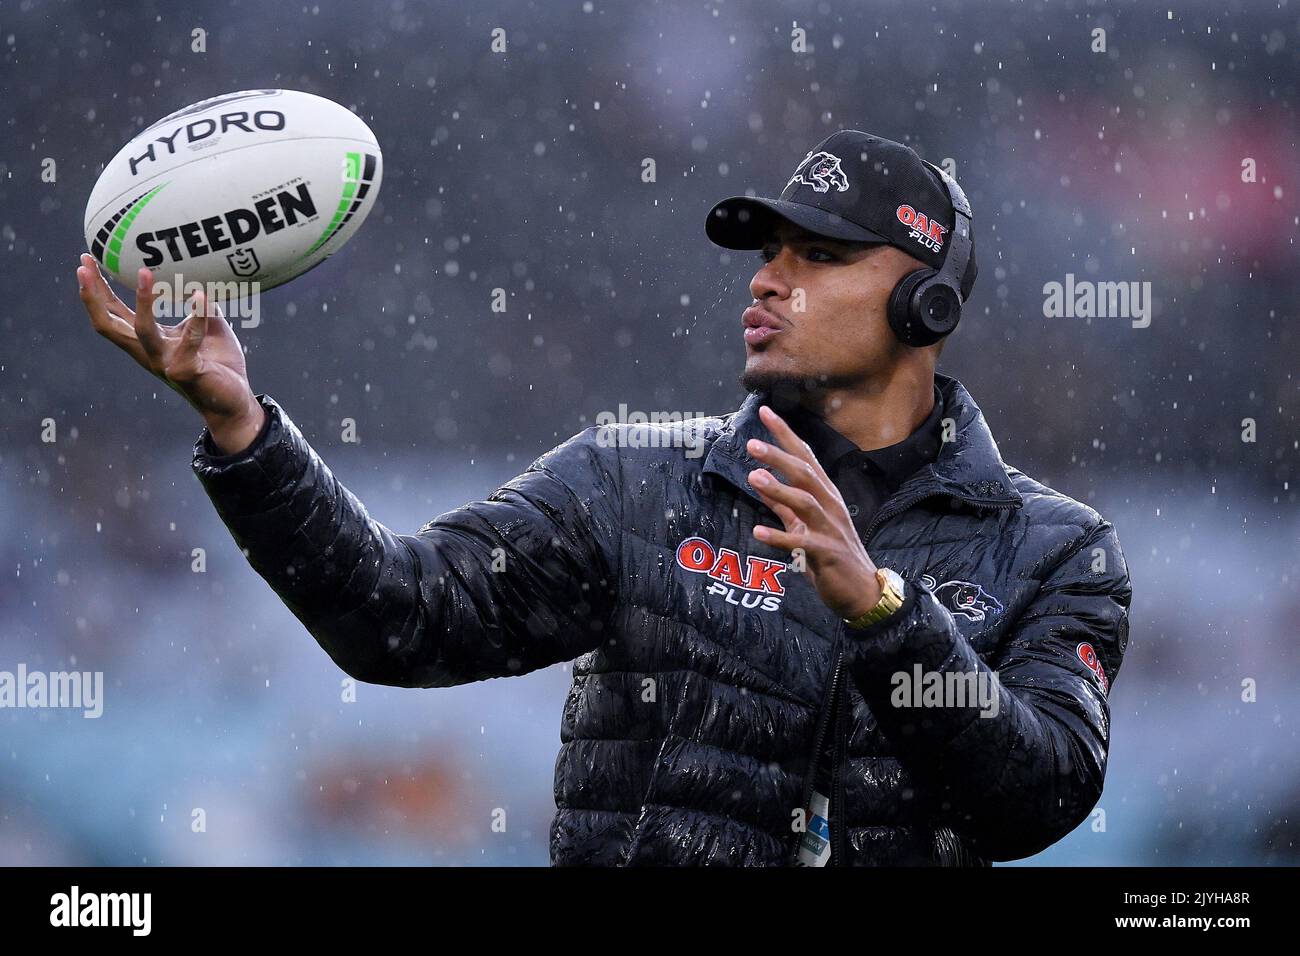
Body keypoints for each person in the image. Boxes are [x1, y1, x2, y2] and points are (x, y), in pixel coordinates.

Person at [76, 129, 1132, 866]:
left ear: (926, 297)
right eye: (766, 253)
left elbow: (1035, 799)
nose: (767, 280)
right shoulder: (636, 479)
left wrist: (886, 617)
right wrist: (243, 431)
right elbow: (398, 618)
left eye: (817, 254)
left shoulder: (1053, 549)